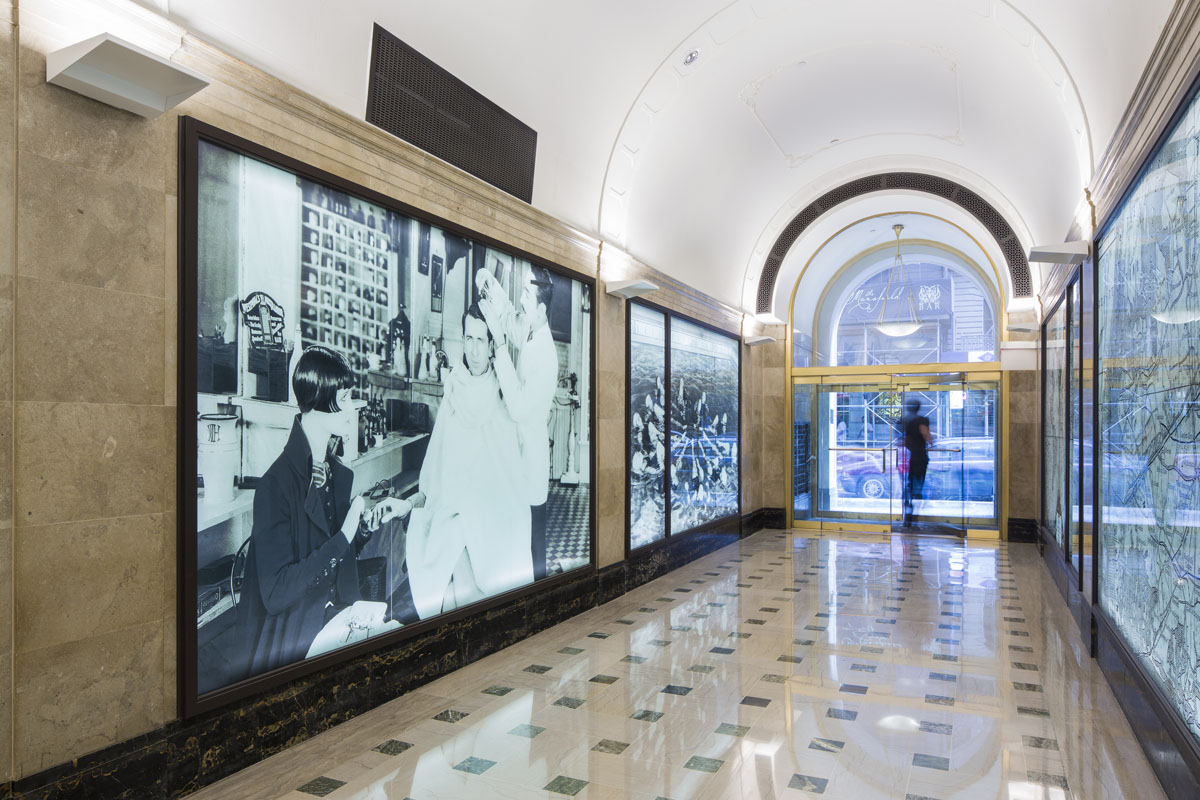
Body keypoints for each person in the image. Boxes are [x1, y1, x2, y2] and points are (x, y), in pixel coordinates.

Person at [235, 347, 410, 680]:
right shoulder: (275, 485)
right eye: (343, 399)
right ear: (316, 402)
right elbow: (275, 595)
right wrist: (343, 535)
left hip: (338, 614)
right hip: (295, 634)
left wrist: (360, 531)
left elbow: (331, 555)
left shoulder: (333, 472)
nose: (352, 409)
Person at [404, 303, 531, 618]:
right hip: (457, 504)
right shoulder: (454, 385)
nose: (474, 350)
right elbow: (441, 449)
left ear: (491, 345)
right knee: (454, 557)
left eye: (481, 340)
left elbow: (507, 455)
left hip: (493, 506)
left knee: (488, 577)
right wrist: (425, 494)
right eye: (468, 339)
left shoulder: (503, 390)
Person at [477, 266, 560, 580]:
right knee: (517, 537)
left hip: (530, 460)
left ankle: (539, 594)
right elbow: (510, 315)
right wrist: (490, 285)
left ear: (542, 308)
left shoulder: (546, 355)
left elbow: (517, 407)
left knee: (533, 543)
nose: (521, 299)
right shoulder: (530, 327)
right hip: (517, 454)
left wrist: (499, 346)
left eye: (527, 294)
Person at [899, 398, 933, 527]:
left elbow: (904, 440)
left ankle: (907, 516)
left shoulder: (904, 420)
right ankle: (913, 517)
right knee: (917, 487)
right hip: (919, 457)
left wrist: (910, 448)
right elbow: (926, 435)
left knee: (907, 485)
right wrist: (930, 442)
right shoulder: (921, 420)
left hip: (906, 457)